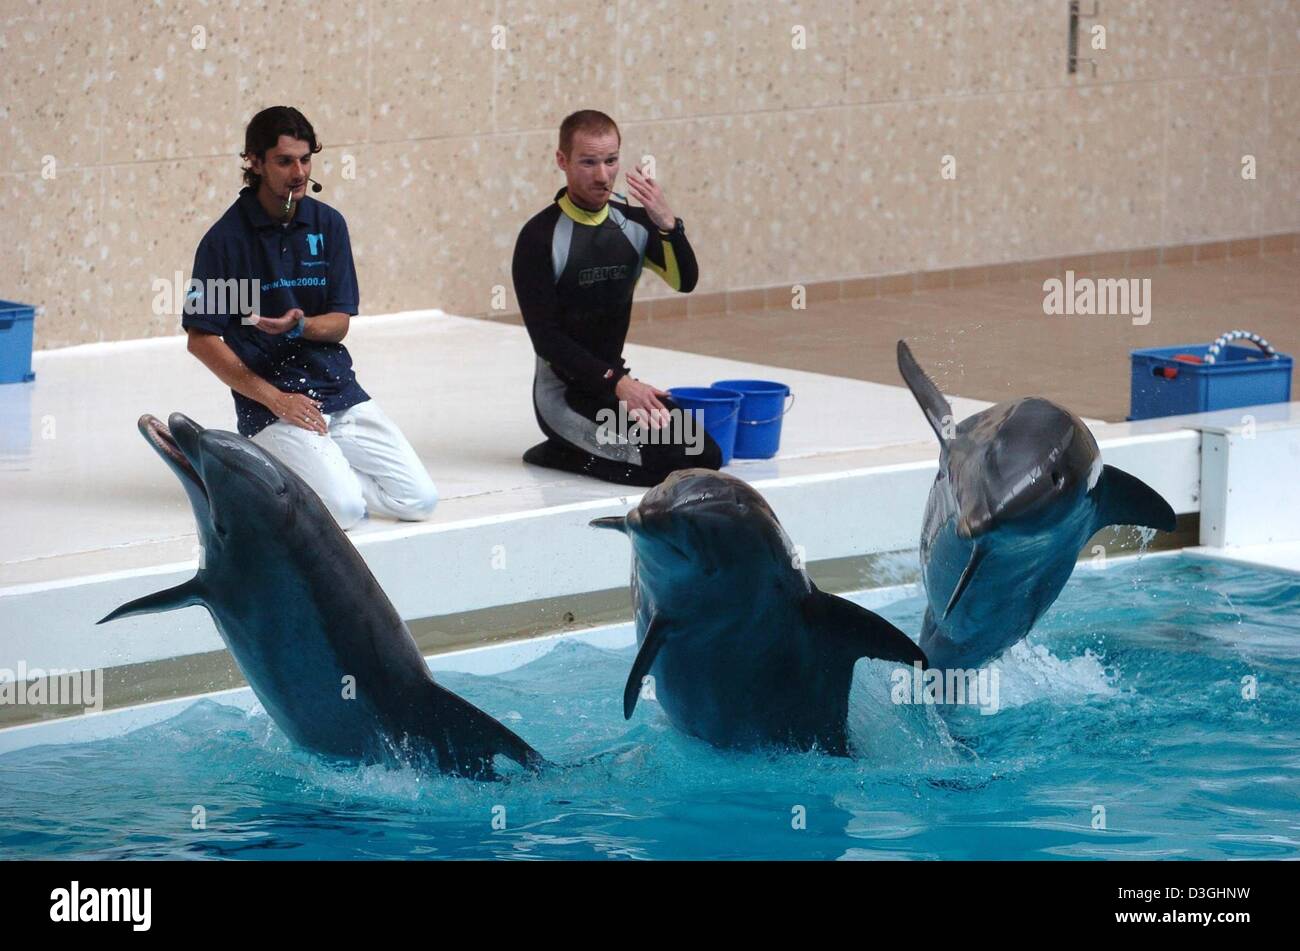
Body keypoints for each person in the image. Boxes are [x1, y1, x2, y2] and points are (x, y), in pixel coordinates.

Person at [182, 106, 436, 530]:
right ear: (254, 162)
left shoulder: (328, 224)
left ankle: (314, 470)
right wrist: (276, 400)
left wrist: (300, 325)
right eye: (284, 161)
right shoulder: (226, 242)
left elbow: (339, 321)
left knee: (419, 500)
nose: (298, 172)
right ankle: (274, 468)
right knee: (346, 512)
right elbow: (201, 339)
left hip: (339, 391)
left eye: (305, 159)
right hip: (274, 405)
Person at [512, 109, 722, 487]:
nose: (602, 175)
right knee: (658, 467)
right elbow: (546, 338)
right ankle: (558, 451)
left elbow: (685, 281)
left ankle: (580, 444)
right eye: (588, 162)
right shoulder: (540, 237)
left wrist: (669, 226)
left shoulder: (634, 224)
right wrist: (619, 383)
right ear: (562, 161)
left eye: (611, 161)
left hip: (617, 389)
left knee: (703, 453)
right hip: (564, 396)